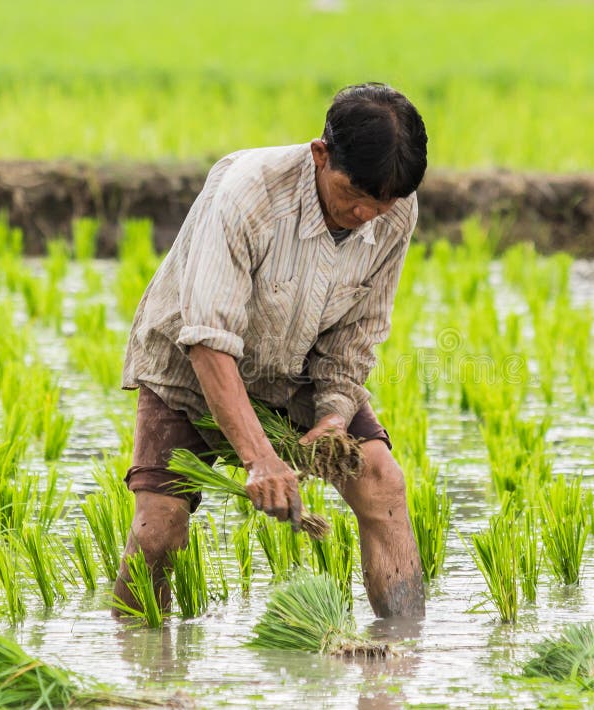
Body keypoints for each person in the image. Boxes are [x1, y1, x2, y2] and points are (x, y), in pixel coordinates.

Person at [114, 83, 428, 619]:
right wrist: (261, 458)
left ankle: (399, 657)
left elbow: (356, 336)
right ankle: (143, 678)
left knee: (382, 482)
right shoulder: (248, 194)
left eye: (383, 203)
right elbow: (208, 341)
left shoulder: (393, 210)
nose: (365, 213)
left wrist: (332, 419)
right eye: (355, 194)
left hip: (296, 368)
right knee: (159, 530)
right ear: (320, 154)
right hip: (190, 369)